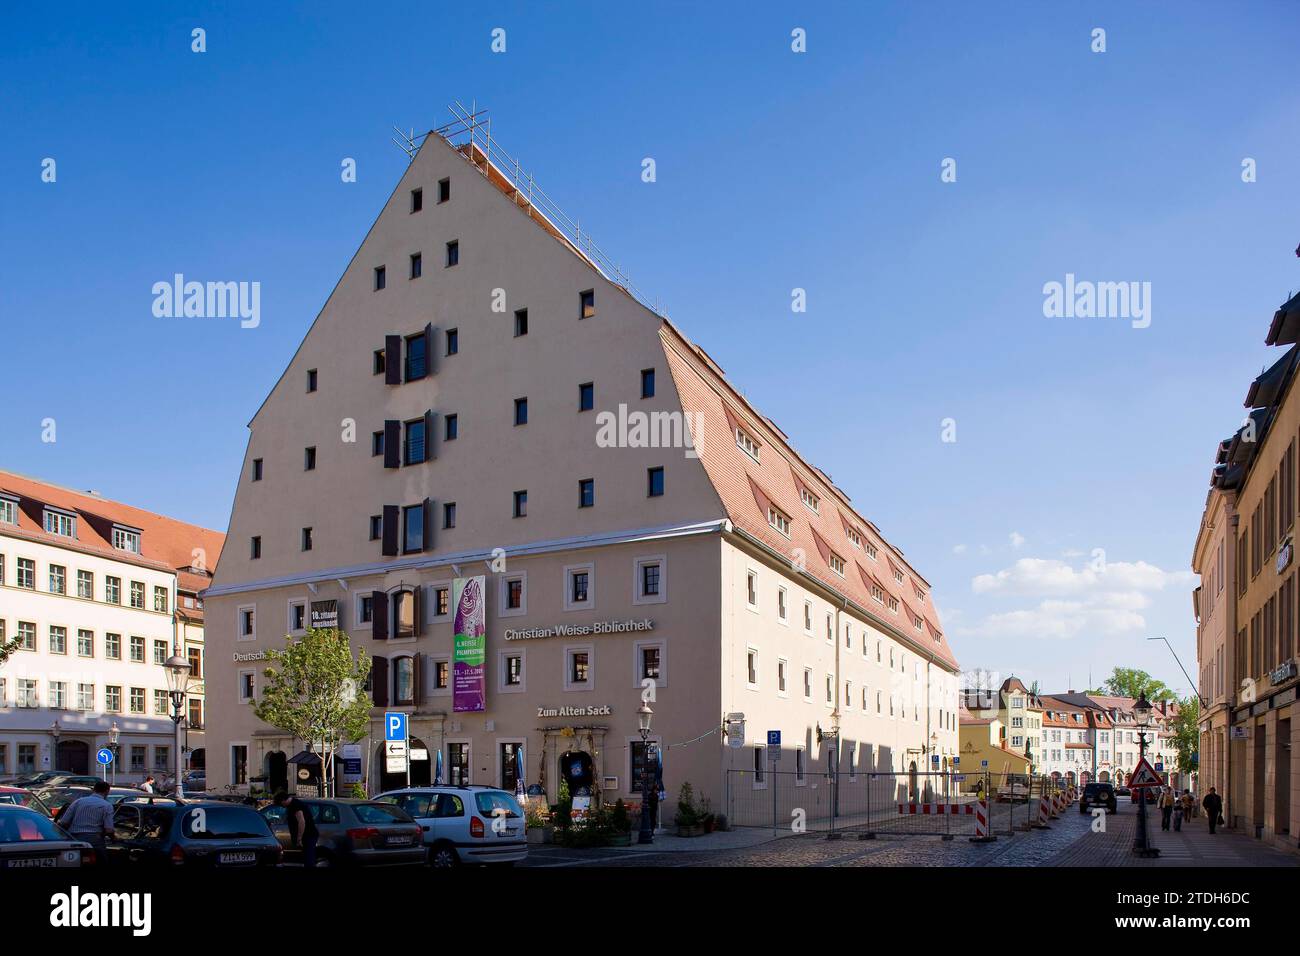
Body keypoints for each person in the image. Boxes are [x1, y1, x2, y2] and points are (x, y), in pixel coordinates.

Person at [58, 780, 115, 859]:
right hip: (95, 840)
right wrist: (113, 839)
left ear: (94, 790)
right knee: (101, 861)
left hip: (74, 838)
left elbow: (63, 822)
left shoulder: (78, 801)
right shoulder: (107, 805)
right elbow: (109, 829)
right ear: (107, 791)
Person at [273, 790, 319, 867]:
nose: (281, 806)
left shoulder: (295, 805)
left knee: (309, 859)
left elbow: (302, 822)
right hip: (307, 836)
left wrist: (299, 838)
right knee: (306, 858)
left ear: (283, 800)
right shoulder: (292, 805)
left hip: (308, 835)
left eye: (281, 804)